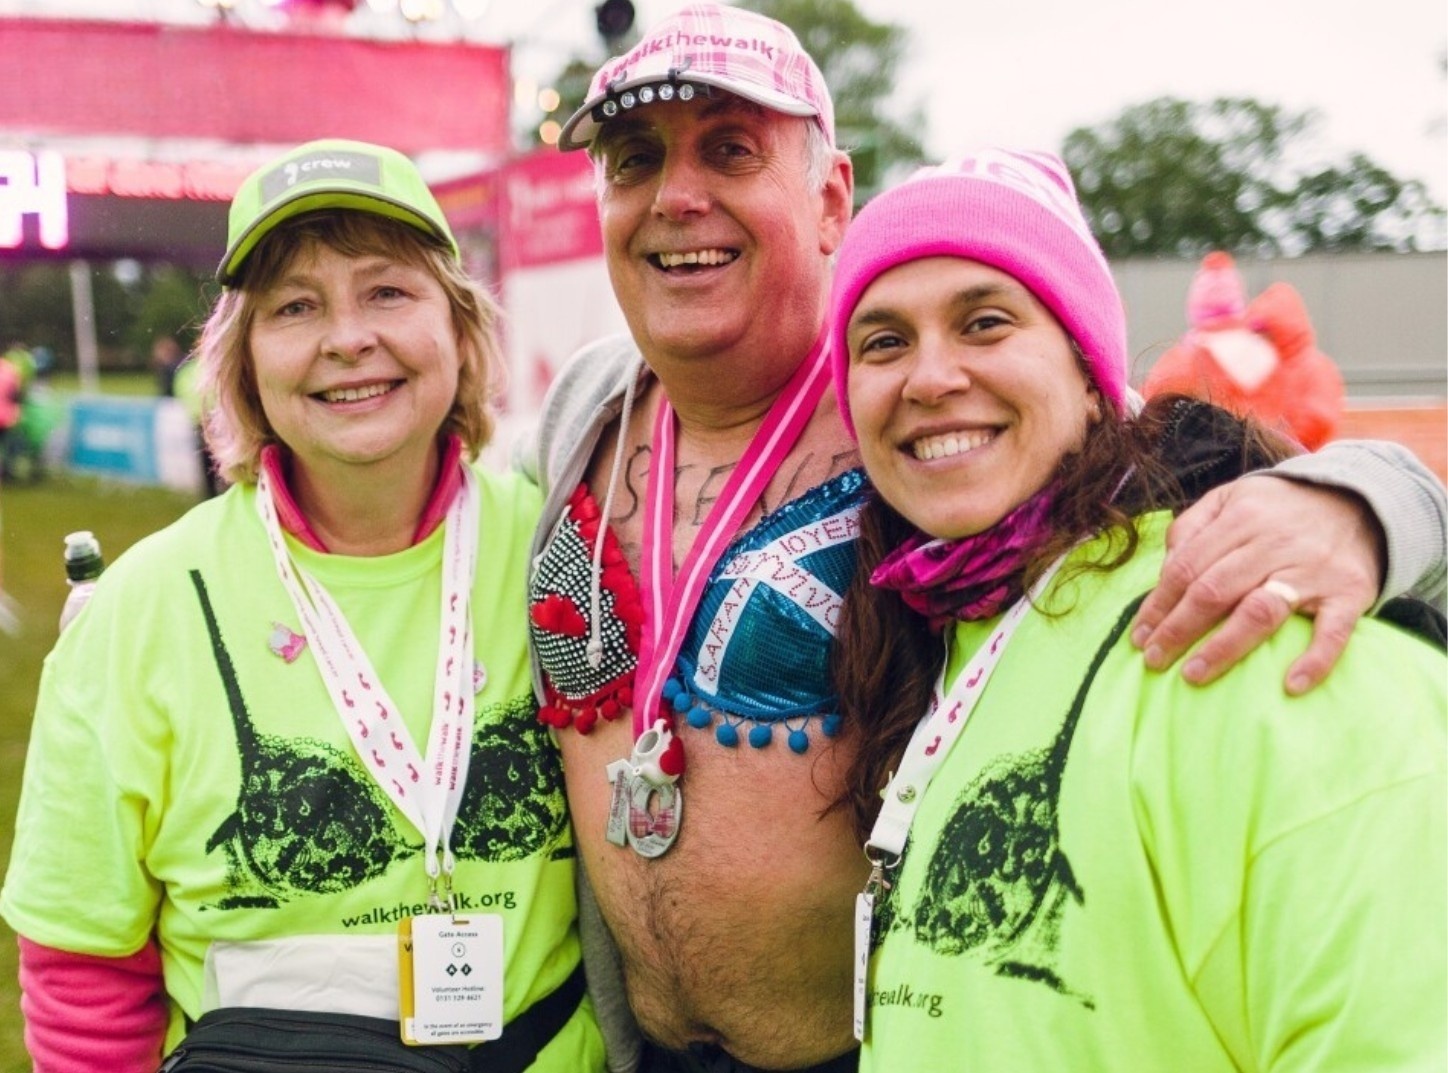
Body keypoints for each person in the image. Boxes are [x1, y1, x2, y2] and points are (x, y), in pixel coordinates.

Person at [522, 6, 1447, 1072]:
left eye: (729, 149)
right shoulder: (586, 412)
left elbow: (1164, 458)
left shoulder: (928, 427)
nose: (677, 197)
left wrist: (1371, 505)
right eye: (634, 160)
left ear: (828, 197)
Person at [827, 146, 1445, 1070]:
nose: (928, 377)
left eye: (985, 323)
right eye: (882, 341)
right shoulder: (927, 632)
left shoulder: (1261, 625)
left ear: (1088, 373)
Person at [0, 139, 603, 1072]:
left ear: (459, 324)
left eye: (388, 291)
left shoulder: (562, 550)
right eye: (295, 306)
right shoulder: (145, 608)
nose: (347, 338)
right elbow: (85, 965)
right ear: (242, 360)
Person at [1144, 250, 1345, 450]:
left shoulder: (1180, 360)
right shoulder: (1272, 357)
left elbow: (1150, 416)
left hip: (1209, 465)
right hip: (1277, 458)